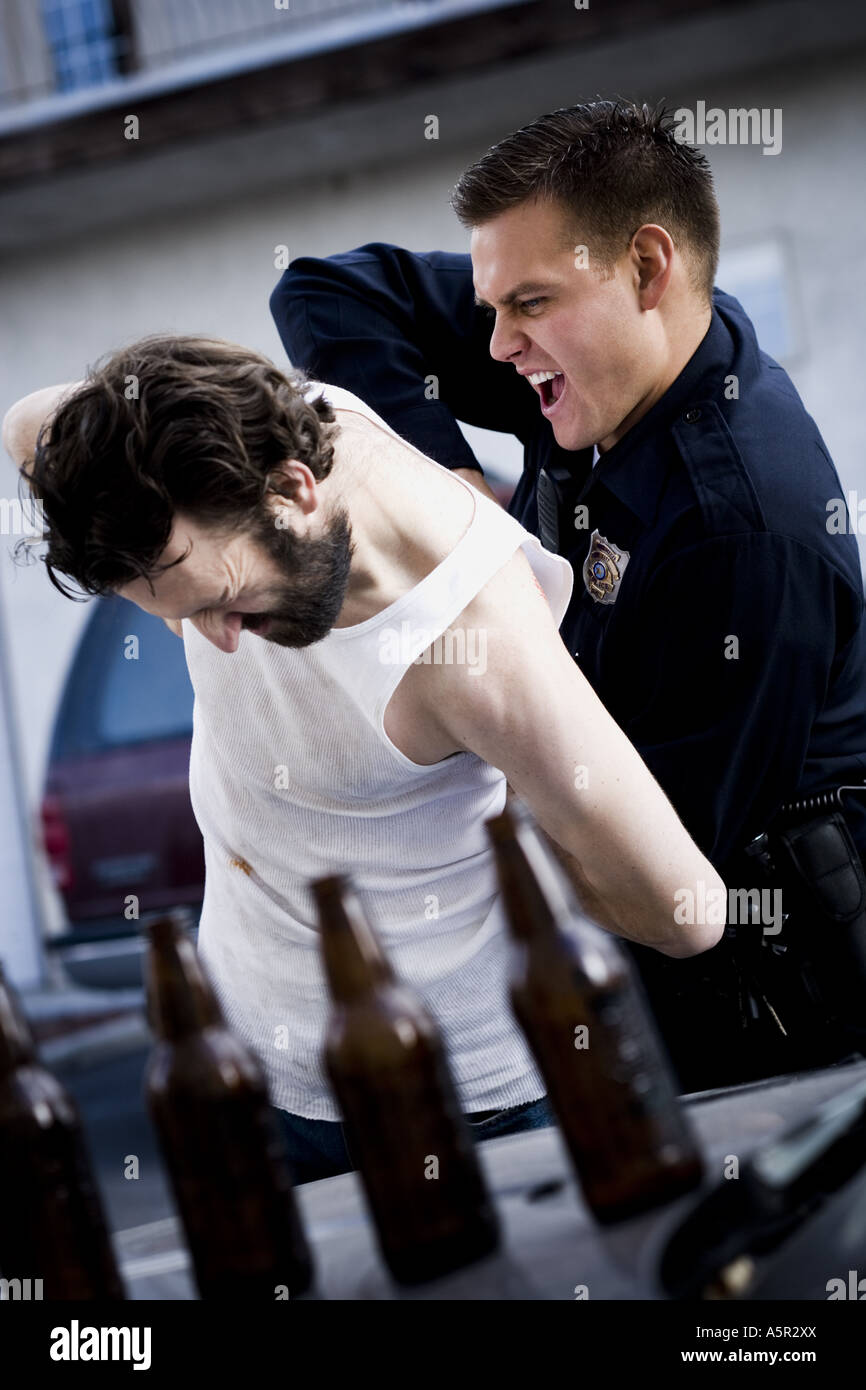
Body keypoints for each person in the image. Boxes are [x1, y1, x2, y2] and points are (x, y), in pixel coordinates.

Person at [4, 336, 723, 1183]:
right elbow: (26, 423)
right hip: (254, 1064)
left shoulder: (474, 641)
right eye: (185, 614)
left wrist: (540, 847)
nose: (217, 641)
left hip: (455, 1104)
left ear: (292, 490)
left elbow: (689, 910)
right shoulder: (230, 437)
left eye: (226, 603)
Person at [269, 99, 866, 1092]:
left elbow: (648, 862)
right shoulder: (602, 365)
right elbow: (327, 293)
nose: (497, 344)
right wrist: (453, 493)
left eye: (528, 304)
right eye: (493, 304)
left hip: (762, 1025)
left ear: (644, 268)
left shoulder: (734, 529)